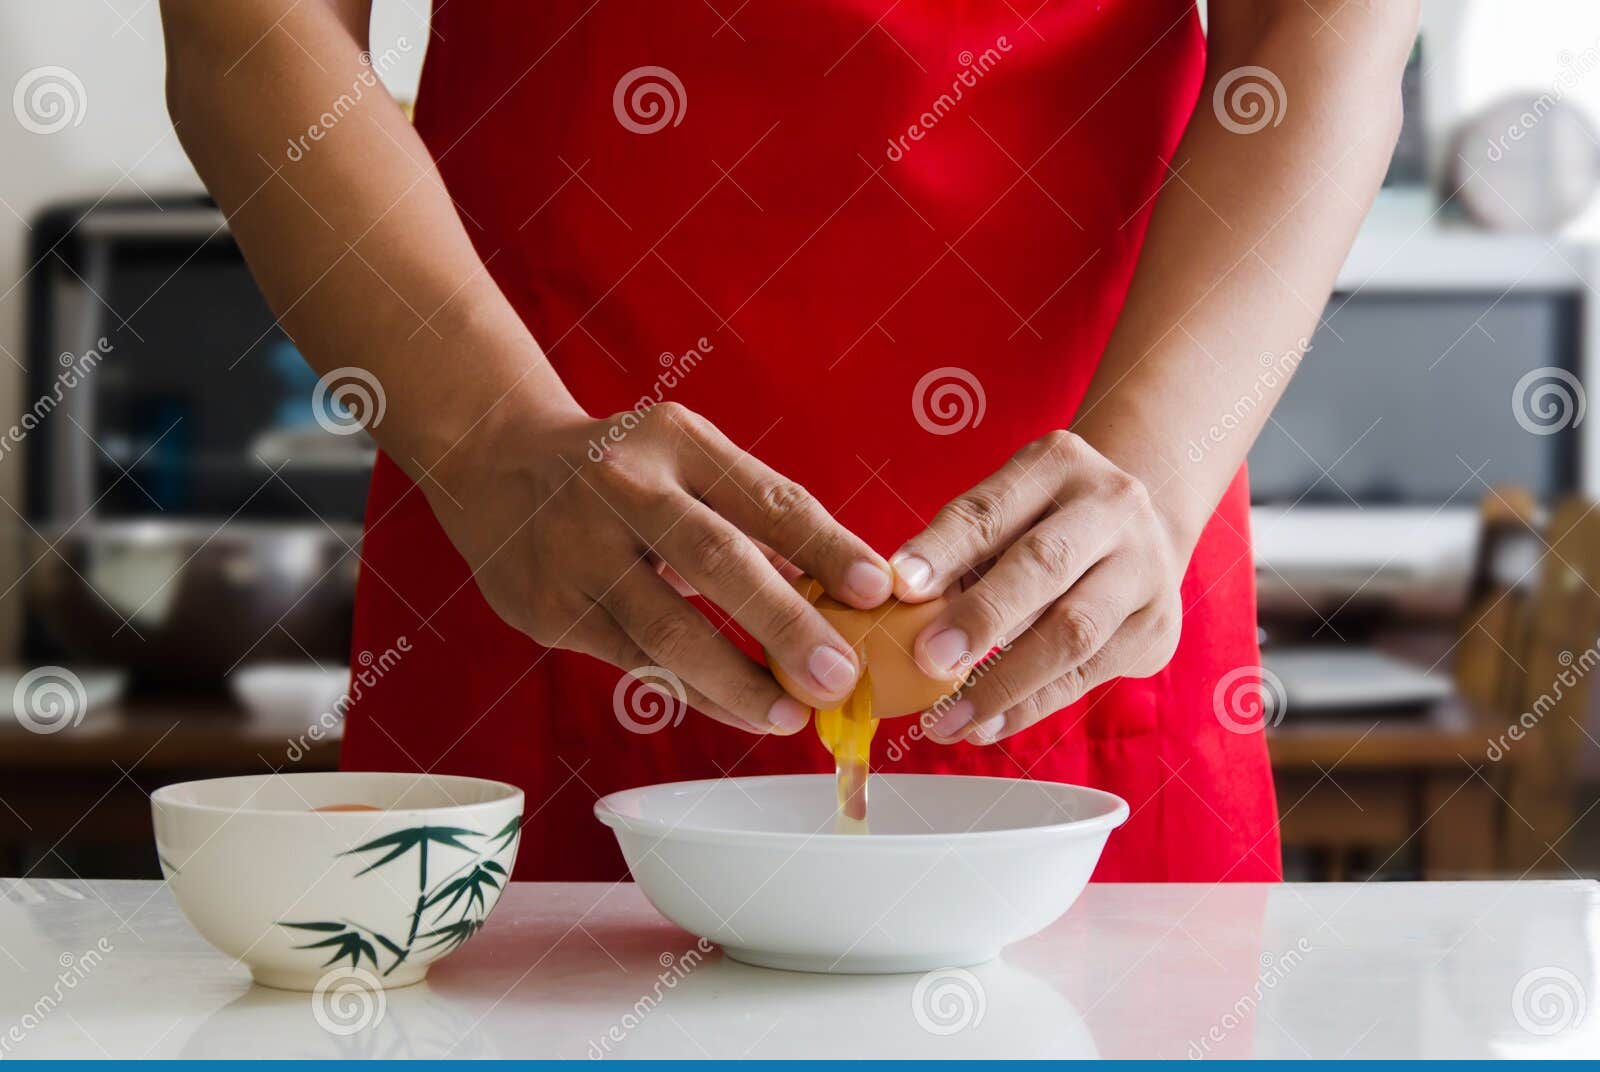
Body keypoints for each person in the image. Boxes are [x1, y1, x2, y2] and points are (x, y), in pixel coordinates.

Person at [161, 0, 1419, 880]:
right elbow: (246, 22)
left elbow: (1328, 21)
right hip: (537, 534)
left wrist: (1159, 456)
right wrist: (487, 432)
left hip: (1089, 564)